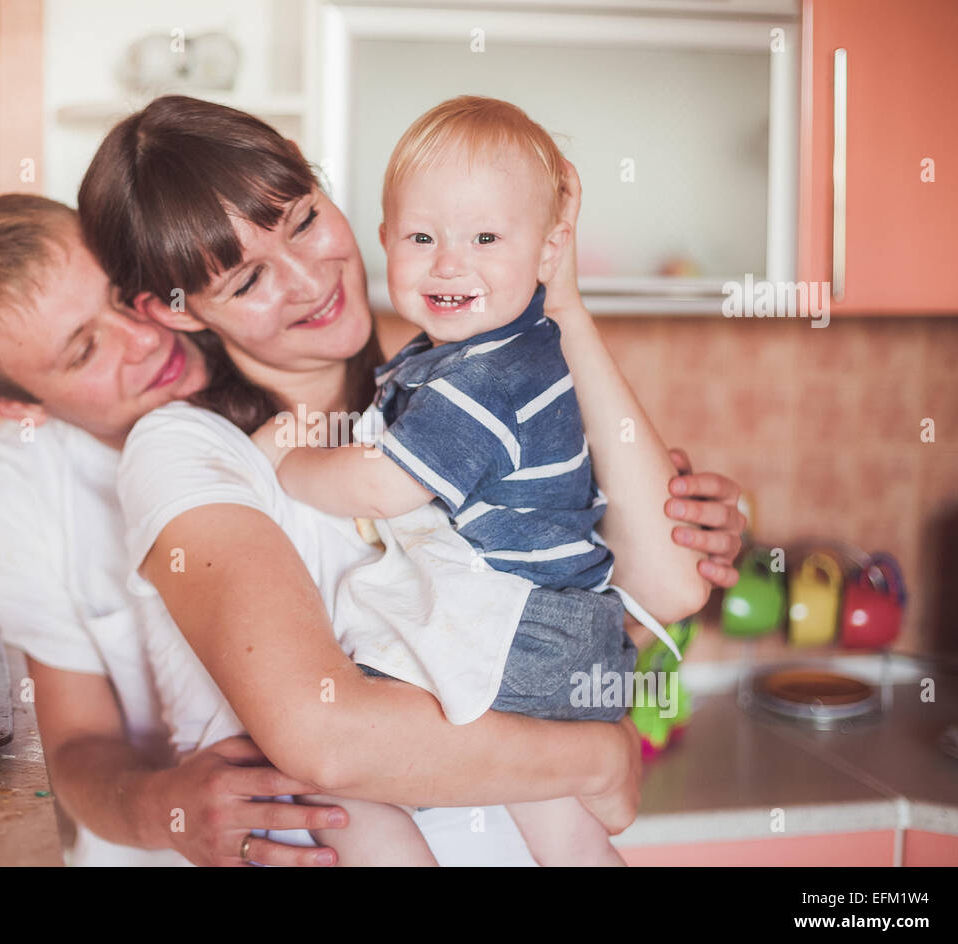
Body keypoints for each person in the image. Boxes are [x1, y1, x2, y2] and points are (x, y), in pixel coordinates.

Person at [49, 94, 744, 864]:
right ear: (172, 311)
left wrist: (562, 301)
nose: (308, 281)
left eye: (305, 221)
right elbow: (328, 737)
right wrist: (597, 757)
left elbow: (667, 590)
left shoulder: (447, 389)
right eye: (248, 281)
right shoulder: (193, 450)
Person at [249, 95, 689, 866]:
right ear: (387, 239)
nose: (450, 262)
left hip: (515, 634)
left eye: (486, 237)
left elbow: (385, 487)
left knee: (341, 772)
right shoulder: (475, 354)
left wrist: (289, 461)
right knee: (553, 815)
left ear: (550, 252)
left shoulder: (485, 378)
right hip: (561, 638)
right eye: (422, 237)